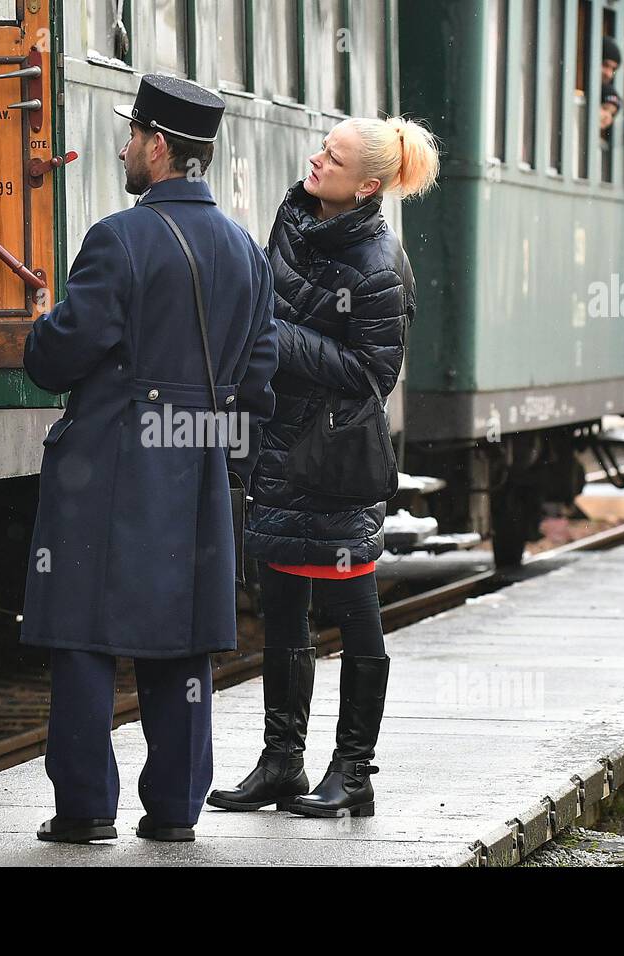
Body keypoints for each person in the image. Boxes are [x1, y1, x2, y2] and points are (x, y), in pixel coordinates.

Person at [21, 74, 279, 844]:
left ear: (159, 148)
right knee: (183, 638)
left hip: (103, 467)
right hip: (195, 470)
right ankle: (174, 811)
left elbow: (61, 355)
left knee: (81, 632)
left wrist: (39, 328)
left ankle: (86, 809)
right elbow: (259, 377)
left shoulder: (118, 238)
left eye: (133, 135)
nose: (125, 147)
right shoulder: (244, 252)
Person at [206, 116, 439, 819]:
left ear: (367, 184)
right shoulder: (296, 217)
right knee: (280, 603)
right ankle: (282, 763)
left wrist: (276, 336)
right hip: (279, 440)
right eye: (321, 148)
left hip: (335, 455)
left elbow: (374, 372)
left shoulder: (378, 264)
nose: (315, 160)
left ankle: (354, 771)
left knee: (355, 611)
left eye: (332, 157)